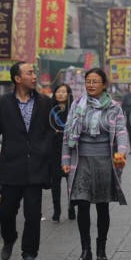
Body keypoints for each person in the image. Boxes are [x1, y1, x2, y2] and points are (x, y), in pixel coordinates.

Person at [0, 62, 52, 260]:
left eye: (34, 72)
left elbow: (50, 131)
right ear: (18, 79)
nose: (34, 76)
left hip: (36, 167)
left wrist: (44, 148)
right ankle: (9, 238)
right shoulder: (3, 103)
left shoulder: (44, 103)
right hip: (12, 166)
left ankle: (29, 253)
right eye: (29, 73)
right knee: (6, 211)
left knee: (33, 214)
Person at [62, 68, 128, 260]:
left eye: (95, 81)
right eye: (88, 81)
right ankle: (85, 249)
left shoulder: (114, 107)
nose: (90, 85)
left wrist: (121, 152)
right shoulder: (76, 105)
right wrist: (65, 161)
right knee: (82, 204)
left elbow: (121, 131)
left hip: (104, 162)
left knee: (102, 206)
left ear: (104, 85)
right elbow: (67, 134)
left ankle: (101, 248)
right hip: (81, 161)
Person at [49, 83, 74, 221]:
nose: (60, 94)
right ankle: (56, 210)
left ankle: (71, 208)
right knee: (55, 183)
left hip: (70, 150)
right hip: (54, 150)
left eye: (64, 92)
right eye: (58, 91)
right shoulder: (49, 109)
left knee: (71, 181)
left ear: (68, 94)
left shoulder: (74, 110)